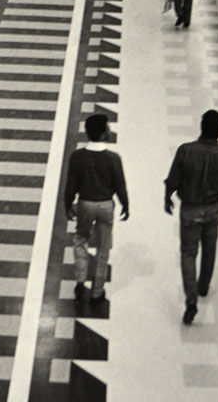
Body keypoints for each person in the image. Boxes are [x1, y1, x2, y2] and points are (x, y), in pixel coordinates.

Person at [164, 109, 218, 324]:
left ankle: (191, 301)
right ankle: (203, 286)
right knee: (209, 249)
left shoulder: (185, 150)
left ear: (201, 127)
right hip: (213, 210)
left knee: (188, 254)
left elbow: (173, 179)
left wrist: (168, 197)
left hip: (190, 211)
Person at [64, 113, 129, 305]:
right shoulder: (113, 158)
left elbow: (71, 185)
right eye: (107, 127)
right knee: (103, 246)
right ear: (102, 134)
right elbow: (120, 185)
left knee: (81, 239)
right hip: (106, 205)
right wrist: (126, 204)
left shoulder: (77, 157)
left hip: (85, 204)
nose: (109, 129)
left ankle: (80, 281)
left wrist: (68, 204)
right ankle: (97, 291)